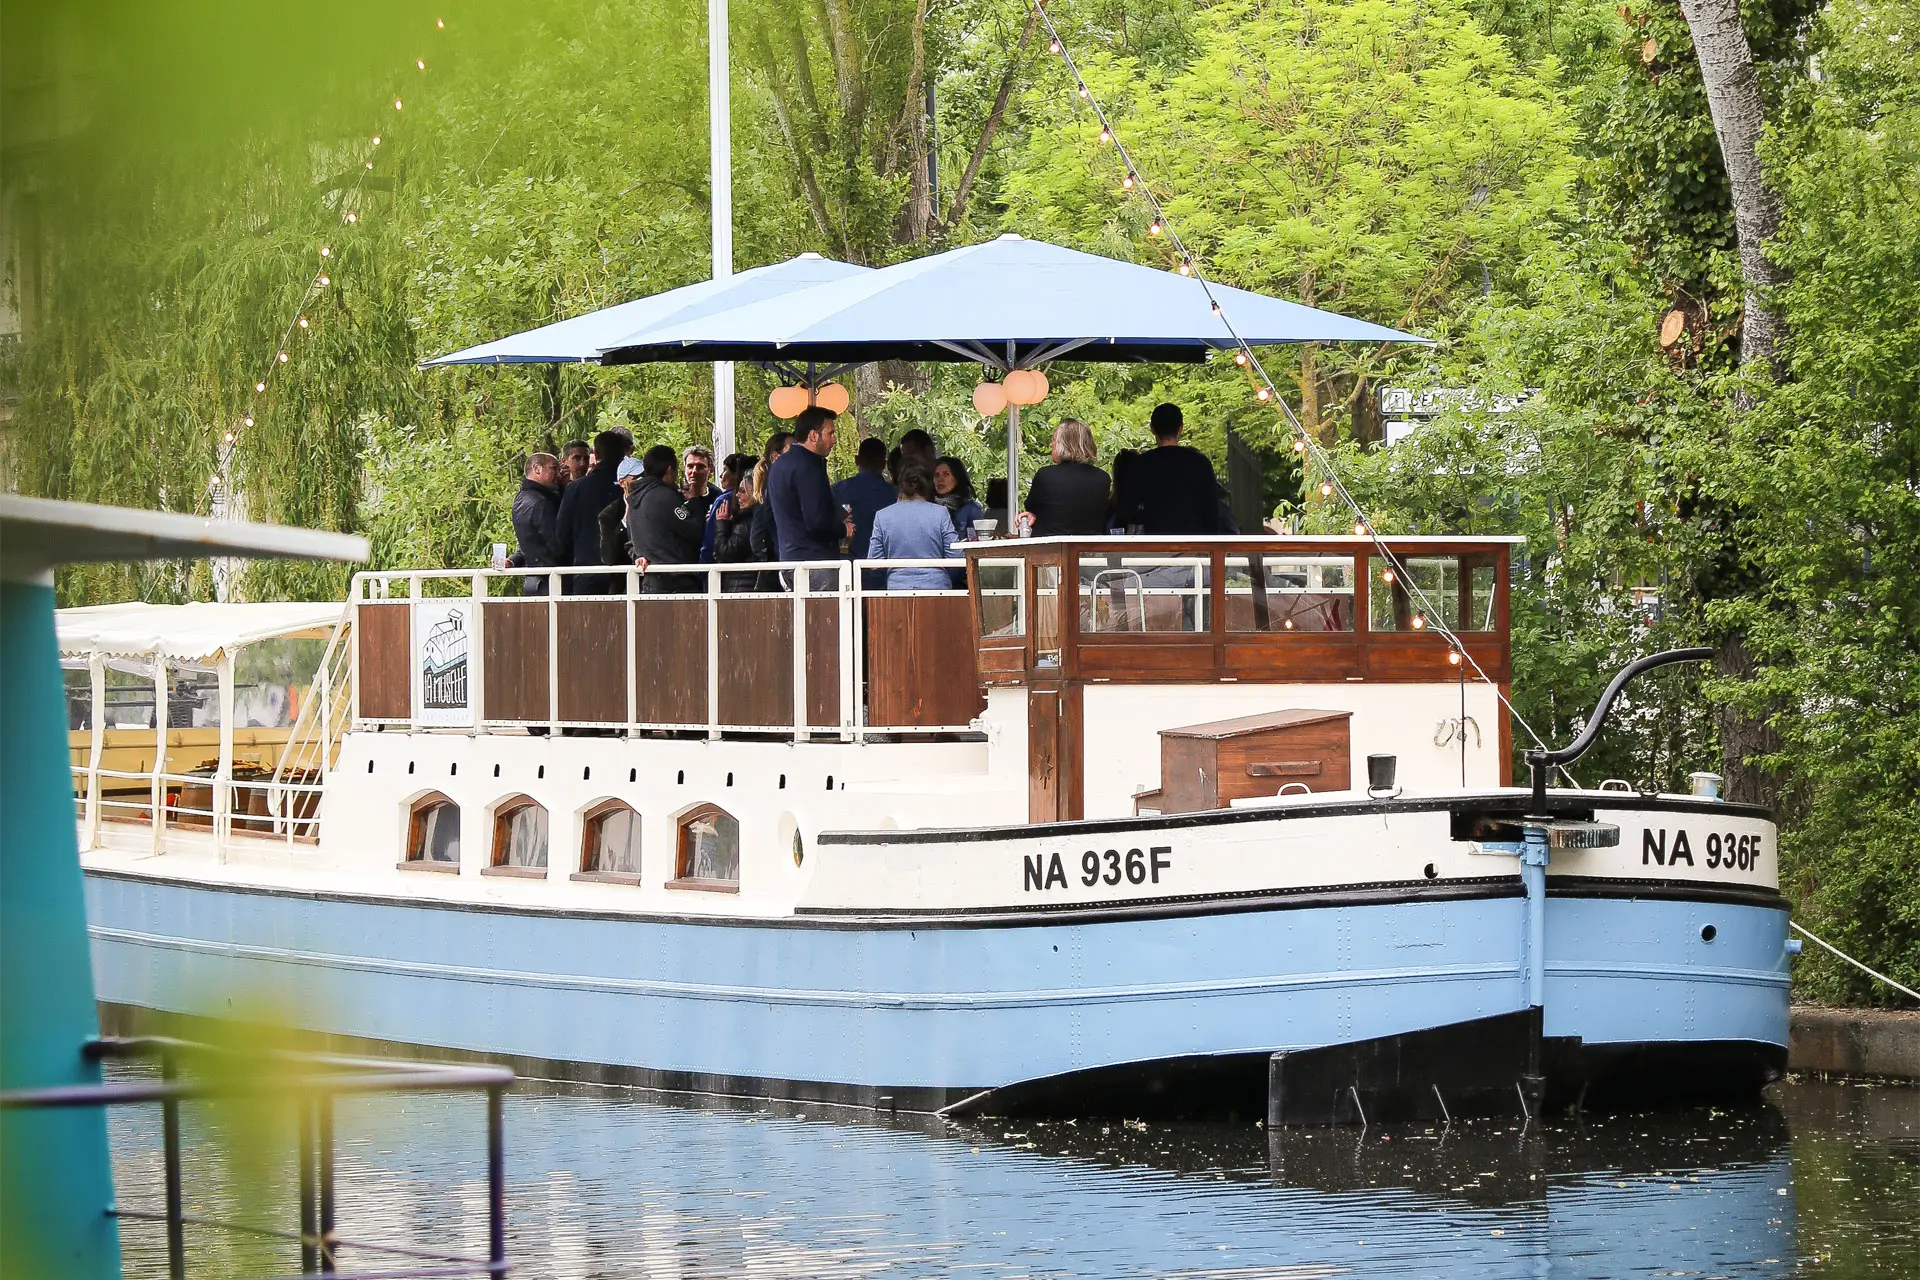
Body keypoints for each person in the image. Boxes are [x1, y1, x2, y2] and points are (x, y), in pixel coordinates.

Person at [767, 407, 855, 581]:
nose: (834, 440)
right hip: (815, 564)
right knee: (825, 609)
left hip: (788, 561)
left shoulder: (779, 465)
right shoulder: (808, 467)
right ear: (814, 436)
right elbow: (815, 520)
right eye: (830, 433)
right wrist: (843, 529)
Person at [1113, 403, 1221, 534]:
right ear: (1181, 428)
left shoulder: (1141, 464)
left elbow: (1126, 511)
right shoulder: (1201, 463)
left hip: (1155, 543)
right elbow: (1213, 512)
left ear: (1152, 428)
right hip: (1193, 544)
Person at [555, 429, 630, 594]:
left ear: (595, 453)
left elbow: (562, 536)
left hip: (586, 572)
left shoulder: (576, 489)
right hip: (628, 573)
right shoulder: (633, 487)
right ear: (624, 453)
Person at [867, 464, 962, 589]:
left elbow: (874, 561)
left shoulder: (882, 516)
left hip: (897, 588)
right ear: (927, 487)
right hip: (936, 588)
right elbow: (956, 556)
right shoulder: (941, 513)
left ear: (900, 486)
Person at [626, 444, 704, 592]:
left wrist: (638, 555)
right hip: (677, 582)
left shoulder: (634, 499)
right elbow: (695, 530)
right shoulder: (666, 498)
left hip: (648, 580)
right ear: (669, 470)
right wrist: (694, 503)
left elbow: (630, 541)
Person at [1018, 420, 1110, 537]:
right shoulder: (1103, 478)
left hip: (1050, 548)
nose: (1051, 444)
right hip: (1089, 550)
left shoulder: (1046, 475)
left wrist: (1033, 515)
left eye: (1054, 439)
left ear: (1065, 444)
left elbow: (1032, 508)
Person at [833, 437, 896, 560]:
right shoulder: (896, 495)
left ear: (857, 460)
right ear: (884, 464)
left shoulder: (836, 491)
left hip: (847, 564)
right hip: (883, 565)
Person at [511, 452, 563, 595]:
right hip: (552, 581)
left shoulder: (520, 498)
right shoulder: (542, 503)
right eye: (554, 468)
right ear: (537, 469)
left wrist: (514, 560)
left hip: (533, 579)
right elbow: (556, 545)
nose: (558, 475)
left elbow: (530, 541)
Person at [709, 469, 762, 592]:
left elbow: (724, 553)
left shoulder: (746, 523)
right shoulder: (755, 519)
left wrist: (721, 524)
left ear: (754, 494)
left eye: (743, 491)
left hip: (741, 587)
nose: (737, 495)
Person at [701, 453, 753, 563]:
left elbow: (710, 539)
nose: (721, 475)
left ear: (735, 474)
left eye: (725, 470)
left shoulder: (723, 500)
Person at [933, 455, 984, 541]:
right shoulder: (929, 506)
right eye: (936, 475)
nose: (940, 479)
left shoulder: (972, 509)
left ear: (957, 477)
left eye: (946, 474)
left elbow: (976, 543)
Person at [681, 445, 717, 524]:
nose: (694, 471)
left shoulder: (717, 498)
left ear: (711, 471)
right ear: (684, 469)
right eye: (690, 466)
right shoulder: (675, 497)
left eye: (700, 467)